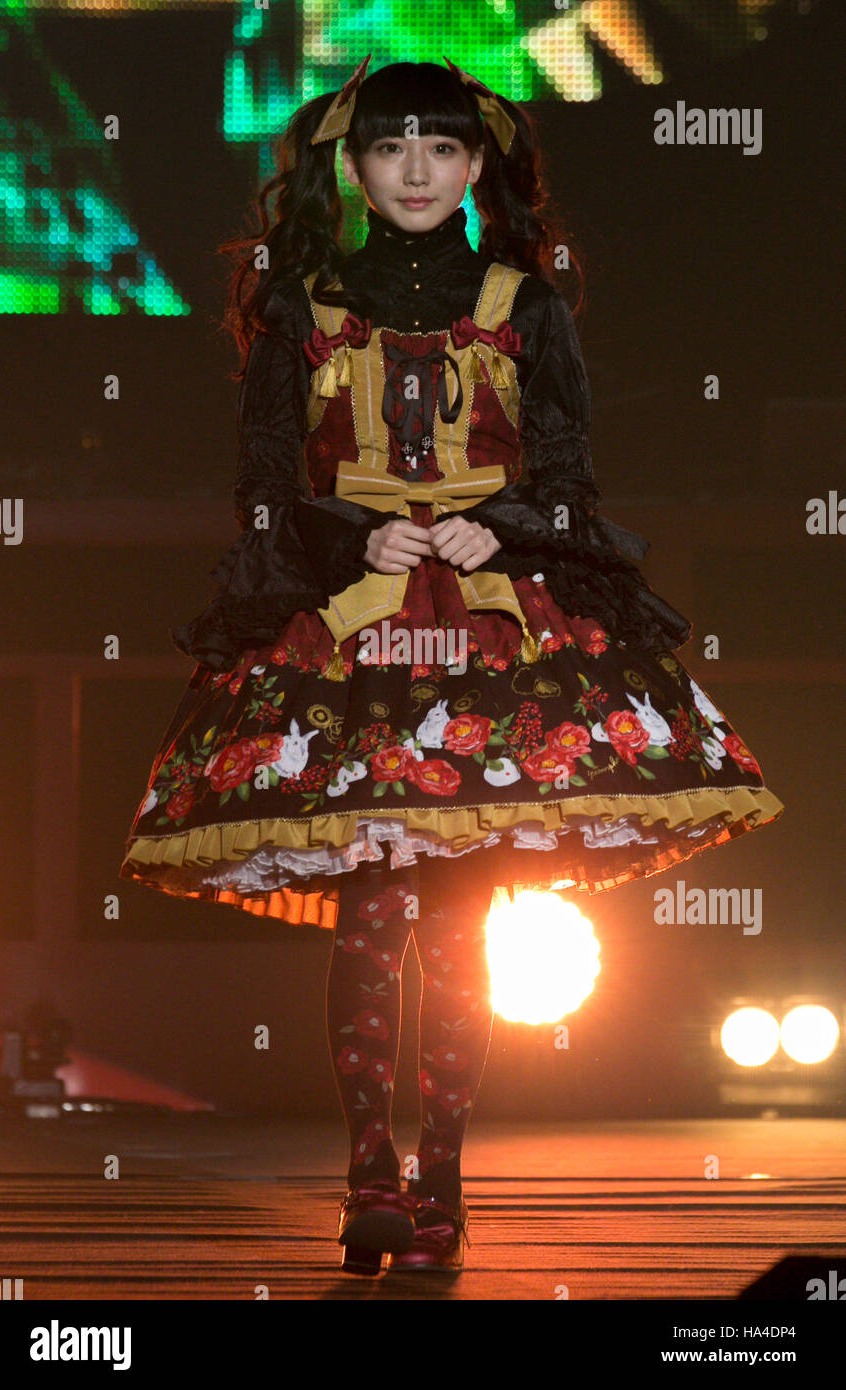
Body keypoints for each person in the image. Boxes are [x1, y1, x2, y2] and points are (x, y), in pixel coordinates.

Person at [118, 57, 784, 1275]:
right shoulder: (301, 304)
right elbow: (265, 488)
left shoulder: (527, 303)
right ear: (353, 170)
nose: (414, 171)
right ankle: (370, 1181)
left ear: (476, 166)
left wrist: (510, 520)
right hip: (353, 625)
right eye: (388, 150)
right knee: (371, 913)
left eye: (438, 149)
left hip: (492, 625)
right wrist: (344, 532)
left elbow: (570, 478)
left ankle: (442, 1191)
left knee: (465, 923)